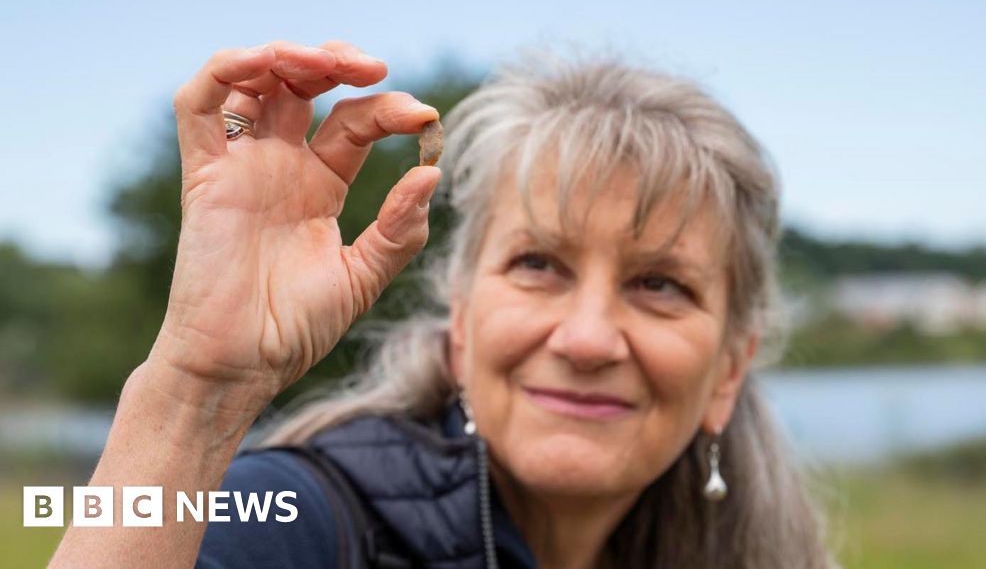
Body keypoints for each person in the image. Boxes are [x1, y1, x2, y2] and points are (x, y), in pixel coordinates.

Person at [49, 40, 833, 569]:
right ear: (459, 323)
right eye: (538, 264)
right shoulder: (307, 517)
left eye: (659, 285)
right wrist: (199, 391)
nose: (589, 338)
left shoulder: (749, 548)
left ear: (730, 369)